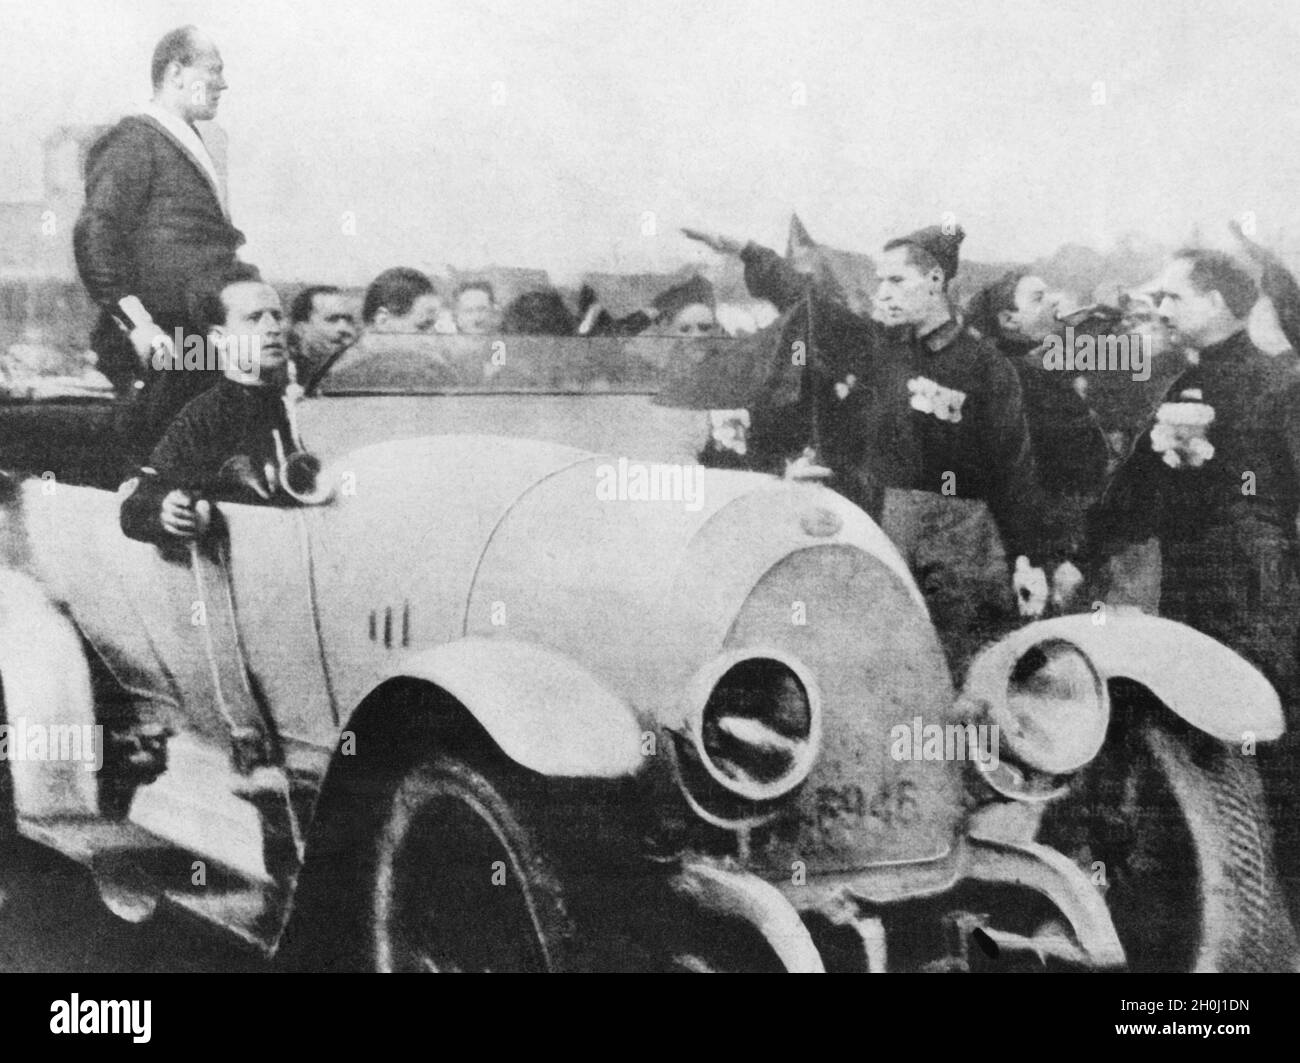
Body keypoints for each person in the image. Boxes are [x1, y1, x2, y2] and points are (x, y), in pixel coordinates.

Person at [1087, 248, 1300, 916]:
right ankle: (1213, 879)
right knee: (1211, 718)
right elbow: (1137, 485)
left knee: (1255, 720)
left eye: (1175, 296)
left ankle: (1267, 891)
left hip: (1248, 581)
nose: (1163, 307)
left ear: (1215, 303)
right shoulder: (1191, 383)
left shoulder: (1274, 385)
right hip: (1204, 578)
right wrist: (1090, 543)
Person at [74, 25, 249, 463]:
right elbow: (97, 234)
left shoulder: (186, 140)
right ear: (175, 72)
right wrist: (139, 324)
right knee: (166, 461)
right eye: (214, 70)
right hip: (165, 341)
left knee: (211, 447)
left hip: (198, 337)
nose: (223, 84)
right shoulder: (136, 140)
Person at [119, 266, 295, 545]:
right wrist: (167, 511)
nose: (272, 328)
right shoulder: (206, 415)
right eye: (253, 319)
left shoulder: (303, 404)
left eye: (276, 315)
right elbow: (138, 505)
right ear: (218, 337)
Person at [968, 269, 1109, 555]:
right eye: (1038, 298)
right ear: (1009, 320)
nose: (1054, 301)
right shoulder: (1017, 373)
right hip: (1046, 531)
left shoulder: (1012, 364)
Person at [289, 285, 357, 385]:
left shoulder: (352, 371)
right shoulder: (279, 375)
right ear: (301, 329)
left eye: (349, 320)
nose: (344, 328)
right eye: (332, 319)